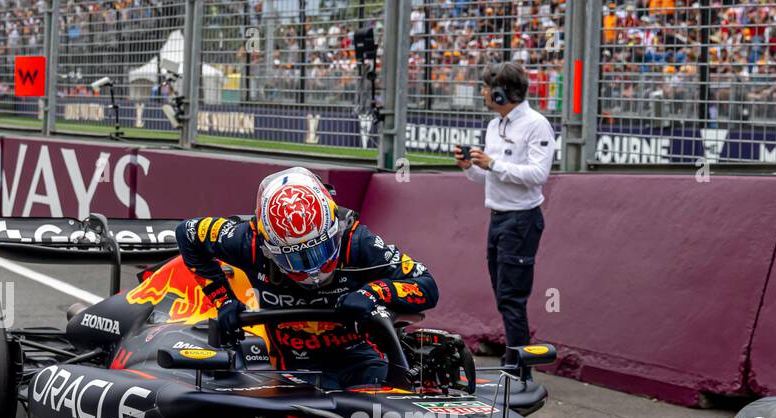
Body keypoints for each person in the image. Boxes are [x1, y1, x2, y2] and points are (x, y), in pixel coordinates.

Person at [175, 166, 438, 389]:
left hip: (358, 358)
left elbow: (426, 285)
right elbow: (187, 233)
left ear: (334, 228)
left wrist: (373, 293)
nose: (313, 268)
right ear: (269, 246)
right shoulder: (248, 240)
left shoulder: (358, 241)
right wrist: (223, 302)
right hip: (289, 369)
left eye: (320, 249)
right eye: (296, 257)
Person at [453, 61, 554, 362]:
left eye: (486, 87)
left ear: (500, 94)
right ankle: (517, 358)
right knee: (504, 296)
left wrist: (493, 164)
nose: (482, 92)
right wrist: (470, 167)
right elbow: (490, 177)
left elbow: (538, 174)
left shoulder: (536, 125)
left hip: (521, 220)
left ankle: (518, 367)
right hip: (498, 217)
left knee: (511, 298)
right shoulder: (495, 126)